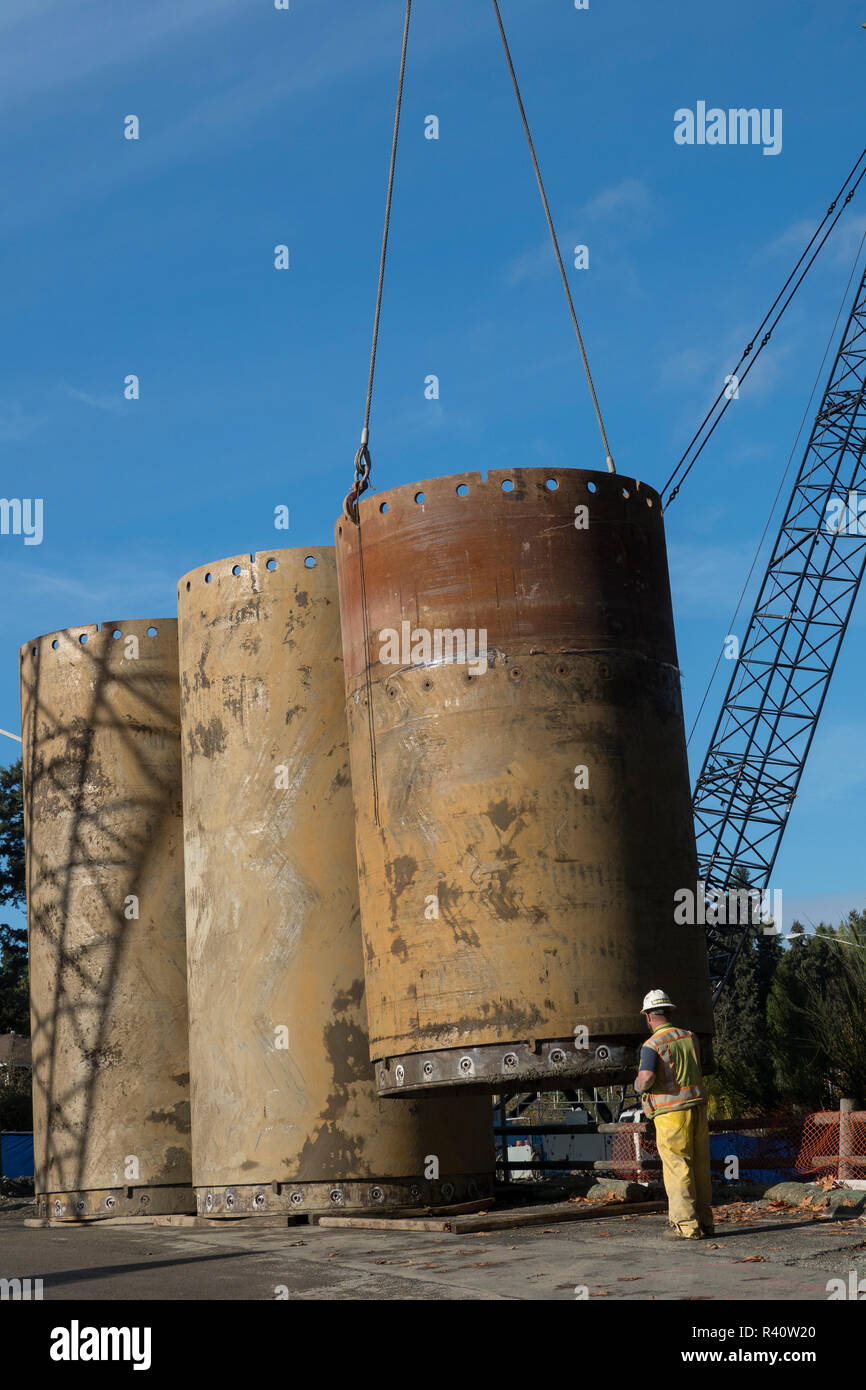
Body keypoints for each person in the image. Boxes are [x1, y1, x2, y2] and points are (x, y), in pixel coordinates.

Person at [632, 989, 714, 1240]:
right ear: (669, 1011)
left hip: (671, 1115)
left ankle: (686, 1226)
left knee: (678, 1169)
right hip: (698, 1109)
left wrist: (637, 1085)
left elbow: (646, 1078)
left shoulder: (651, 1045)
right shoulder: (690, 1037)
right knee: (700, 1167)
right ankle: (706, 1223)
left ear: (647, 1016)